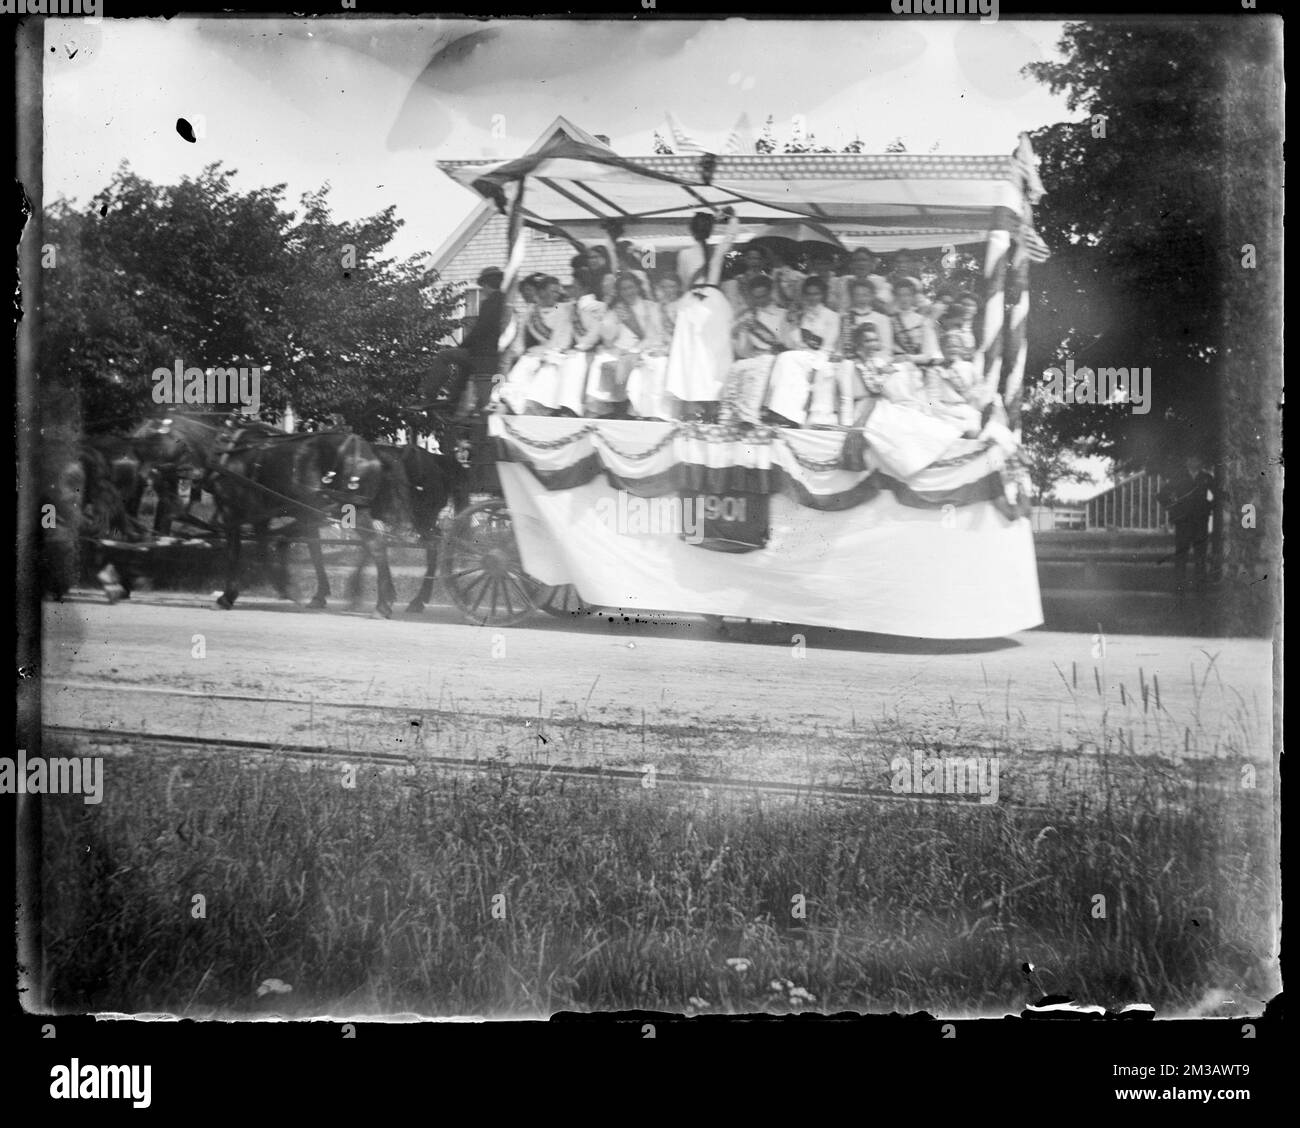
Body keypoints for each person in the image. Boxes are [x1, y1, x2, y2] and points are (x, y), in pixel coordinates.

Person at [664, 210, 742, 418]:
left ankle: (693, 405)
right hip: (714, 304)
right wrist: (731, 218)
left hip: (692, 303)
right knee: (715, 356)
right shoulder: (716, 250)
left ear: (691, 230)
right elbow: (732, 234)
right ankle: (713, 406)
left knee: (692, 357)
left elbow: (683, 281)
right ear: (710, 230)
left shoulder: (684, 254)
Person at [421, 266, 507, 416]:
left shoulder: (490, 303)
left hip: (483, 355)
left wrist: (463, 345)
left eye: (482, 286)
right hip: (491, 355)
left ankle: (429, 395)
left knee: (444, 355)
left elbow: (480, 329)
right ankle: (453, 400)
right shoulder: (505, 301)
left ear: (486, 285)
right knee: (464, 366)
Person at [763, 275, 842, 428]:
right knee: (785, 358)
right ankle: (780, 412)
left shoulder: (832, 316)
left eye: (816, 294)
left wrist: (816, 367)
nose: (813, 298)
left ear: (823, 294)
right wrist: (793, 322)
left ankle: (787, 413)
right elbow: (790, 342)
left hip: (820, 357)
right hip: (800, 354)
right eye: (809, 294)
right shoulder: (800, 313)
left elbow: (827, 347)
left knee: (787, 358)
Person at [589, 273, 670, 419]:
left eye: (631, 287)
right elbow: (608, 338)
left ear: (638, 288)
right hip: (620, 349)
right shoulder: (617, 309)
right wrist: (605, 315)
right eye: (624, 289)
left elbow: (654, 335)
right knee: (601, 360)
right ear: (619, 292)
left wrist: (635, 350)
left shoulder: (650, 307)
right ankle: (611, 407)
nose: (628, 292)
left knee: (648, 365)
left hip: (645, 348)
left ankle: (639, 411)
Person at [497, 276, 575, 415]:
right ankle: (513, 403)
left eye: (557, 291)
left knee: (545, 371)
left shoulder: (561, 308)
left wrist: (548, 354)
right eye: (552, 291)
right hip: (536, 352)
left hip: (556, 353)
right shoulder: (532, 310)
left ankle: (537, 406)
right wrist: (516, 352)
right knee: (523, 367)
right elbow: (520, 337)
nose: (555, 294)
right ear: (542, 292)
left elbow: (562, 339)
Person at [718, 274, 787, 426]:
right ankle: (727, 416)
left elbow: (784, 342)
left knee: (762, 367)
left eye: (763, 296)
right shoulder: (747, 316)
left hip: (775, 357)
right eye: (756, 297)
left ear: (770, 293)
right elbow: (743, 351)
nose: (759, 301)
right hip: (754, 357)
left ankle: (750, 417)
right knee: (736, 368)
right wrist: (739, 331)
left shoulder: (783, 314)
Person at [1159, 454, 1215, 602]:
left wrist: (1207, 507)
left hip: (1200, 523)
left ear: (1201, 461)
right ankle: (1179, 591)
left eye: (1196, 458)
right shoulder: (1178, 476)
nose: (1193, 461)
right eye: (1190, 458)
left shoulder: (1206, 478)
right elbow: (1162, 495)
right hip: (1183, 523)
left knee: (1200, 558)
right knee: (1181, 558)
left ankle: (1201, 591)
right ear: (1186, 460)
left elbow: (1217, 496)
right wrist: (1173, 508)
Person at [890, 277, 942, 366]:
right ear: (895, 297)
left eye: (907, 295)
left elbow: (929, 354)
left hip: (917, 368)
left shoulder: (923, 321)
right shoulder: (889, 320)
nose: (904, 299)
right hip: (895, 366)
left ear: (913, 297)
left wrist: (907, 358)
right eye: (899, 295)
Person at [830, 247, 891, 315]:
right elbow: (832, 307)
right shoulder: (842, 281)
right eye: (856, 260)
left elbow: (885, 309)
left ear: (871, 263)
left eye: (864, 260)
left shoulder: (881, 282)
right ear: (851, 265)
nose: (860, 263)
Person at [722, 244, 772, 314]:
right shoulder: (737, 281)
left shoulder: (769, 281)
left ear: (762, 261)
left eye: (757, 258)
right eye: (750, 258)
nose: (754, 262)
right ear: (745, 260)